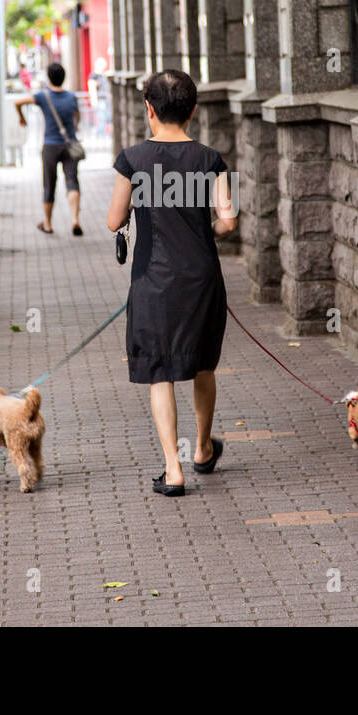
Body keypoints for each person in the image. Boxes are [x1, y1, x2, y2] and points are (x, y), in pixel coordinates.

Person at [106, 69, 238, 497]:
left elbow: (114, 220)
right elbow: (228, 220)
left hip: (153, 279)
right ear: (193, 111)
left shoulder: (132, 160)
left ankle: (172, 468)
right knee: (202, 363)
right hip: (201, 278)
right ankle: (202, 448)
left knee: (159, 370)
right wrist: (206, 229)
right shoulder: (210, 159)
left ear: (148, 109)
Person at [15, 61, 83, 235]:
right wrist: (73, 128)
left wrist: (22, 118)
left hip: (50, 146)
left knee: (49, 185)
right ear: (64, 77)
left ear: (49, 78)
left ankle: (48, 223)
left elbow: (18, 102)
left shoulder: (43, 97)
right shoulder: (71, 97)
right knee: (72, 182)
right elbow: (77, 117)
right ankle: (75, 220)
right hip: (70, 145)